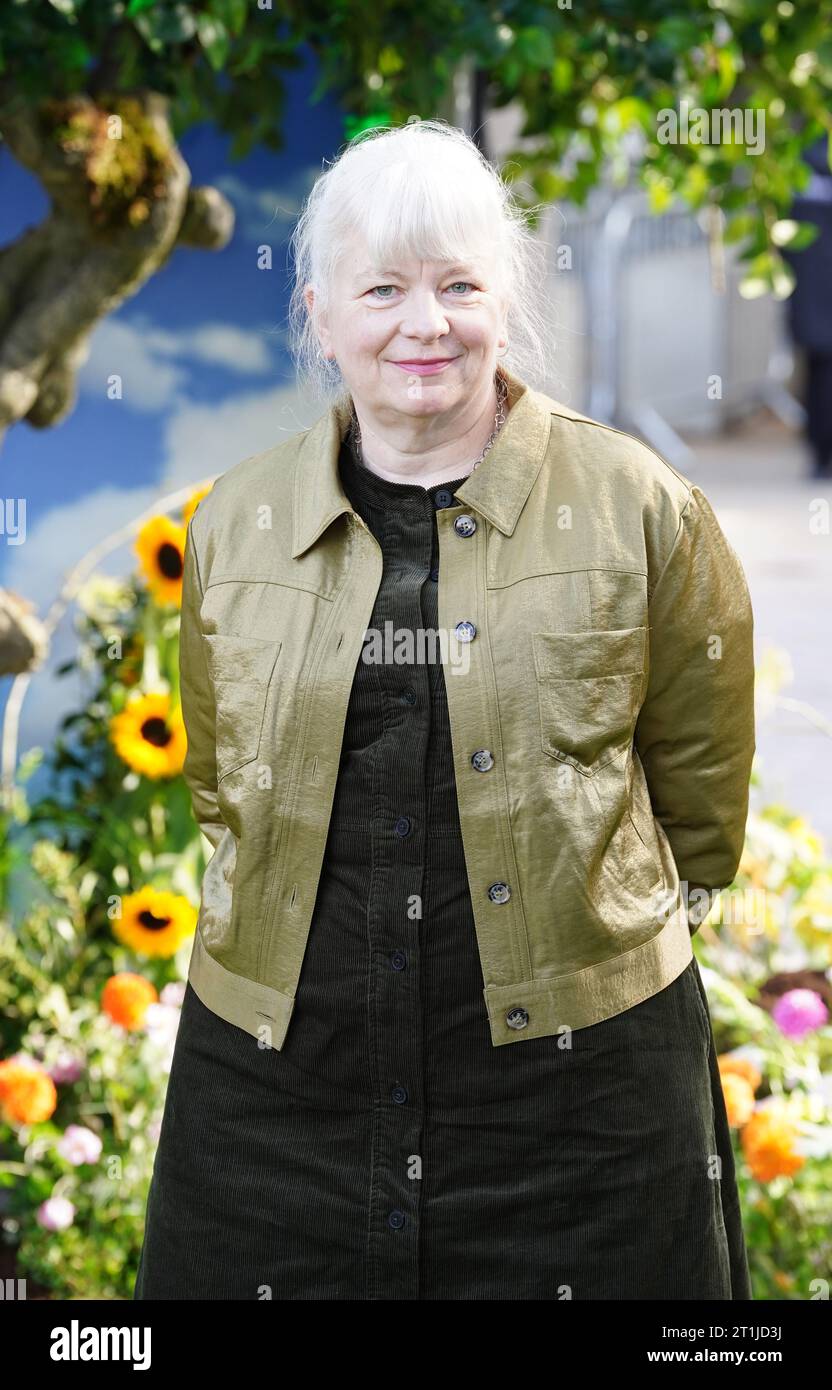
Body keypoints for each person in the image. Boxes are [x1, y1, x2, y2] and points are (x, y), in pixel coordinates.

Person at [134, 118, 756, 1301]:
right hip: (278, 1088)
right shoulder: (235, 519)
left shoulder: (638, 504)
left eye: (459, 286)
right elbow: (220, 779)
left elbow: (700, 795)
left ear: (504, 300)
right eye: (383, 289)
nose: (425, 324)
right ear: (319, 313)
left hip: (577, 1105)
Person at [782, 133, 832, 478]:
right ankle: (820, 453)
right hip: (815, 293)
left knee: (817, 371)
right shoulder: (804, 162)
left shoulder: (800, 163)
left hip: (811, 295)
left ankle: (820, 455)